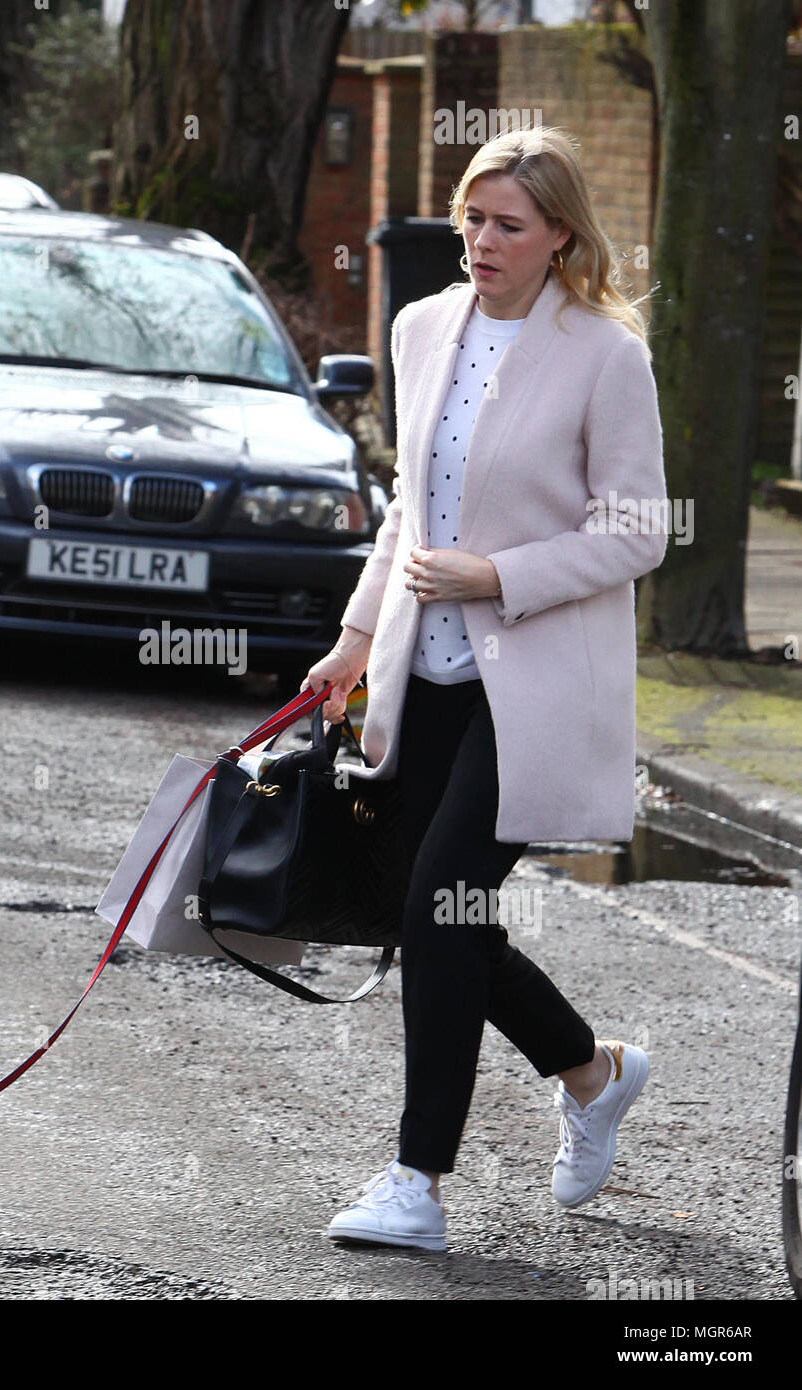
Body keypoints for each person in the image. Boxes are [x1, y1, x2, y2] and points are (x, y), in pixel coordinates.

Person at [301, 125, 667, 1252]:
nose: (481, 242)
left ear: (561, 235)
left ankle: (416, 1181)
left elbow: (638, 529)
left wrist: (497, 573)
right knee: (444, 915)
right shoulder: (419, 330)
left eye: (508, 225)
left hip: (540, 682)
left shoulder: (606, 355)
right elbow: (410, 504)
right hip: (429, 670)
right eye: (471, 219)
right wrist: (356, 638)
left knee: (435, 907)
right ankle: (590, 1070)